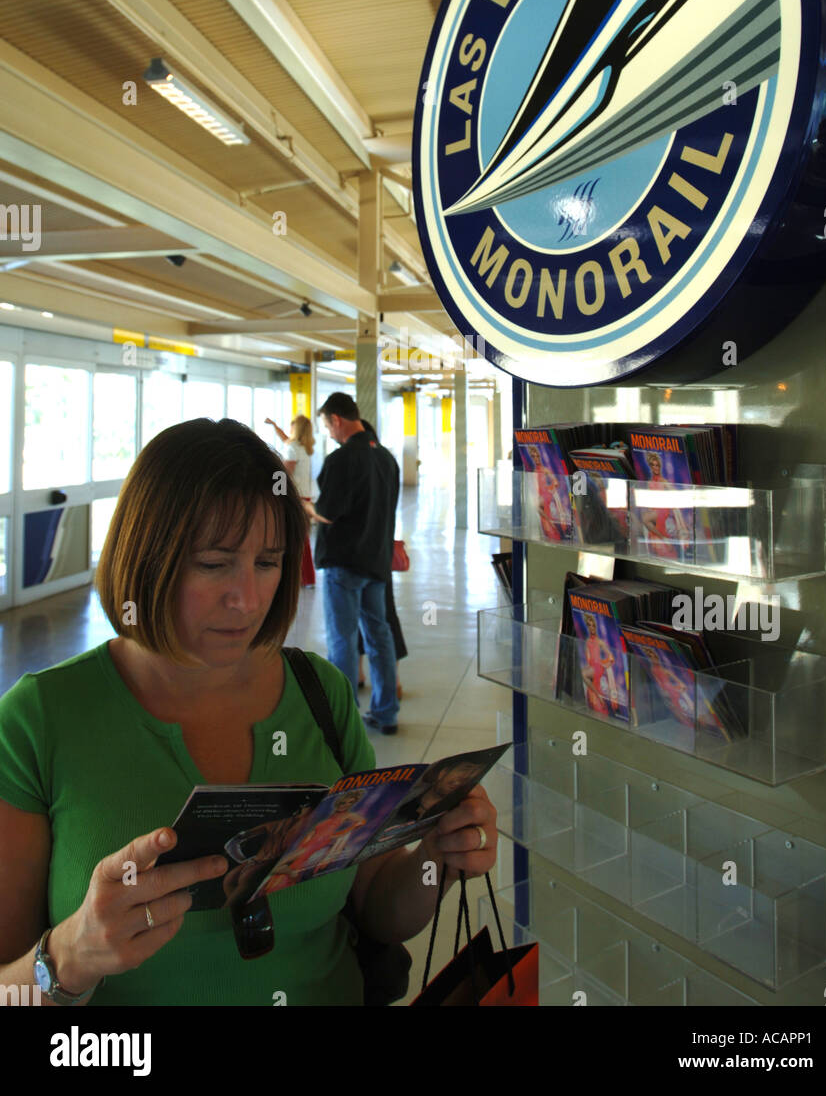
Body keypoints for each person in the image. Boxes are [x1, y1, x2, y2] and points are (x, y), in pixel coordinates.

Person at [0, 418, 498, 1006]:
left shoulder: (320, 692)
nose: (247, 598)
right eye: (214, 564)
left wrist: (435, 861)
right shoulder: (39, 720)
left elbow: (376, 907)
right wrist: (71, 956)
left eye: (268, 562)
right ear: (145, 556)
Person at [305, 395, 399, 735]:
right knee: (379, 635)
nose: (329, 433)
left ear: (336, 420)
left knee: (342, 640)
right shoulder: (386, 457)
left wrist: (306, 509)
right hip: (376, 563)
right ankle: (386, 713)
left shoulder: (342, 459)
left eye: (327, 426)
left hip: (344, 563)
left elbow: (327, 513)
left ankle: (344, 723)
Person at [357, 420, 405, 699]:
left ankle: (361, 674)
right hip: (382, 548)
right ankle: (391, 680)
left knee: (365, 615)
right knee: (383, 614)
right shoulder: (388, 461)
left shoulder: (362, 463)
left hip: (361, 553)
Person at [265, 414, 315, 586]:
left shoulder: (292, 448)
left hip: (295, 497)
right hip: (305, 496)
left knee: (292, 537)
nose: (289, 429)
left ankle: (297, 577)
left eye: (292, 425)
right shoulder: (304, 447)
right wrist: (274, 425)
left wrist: (274, 492)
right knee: (303, 538)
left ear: (297, 429)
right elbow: (286, 438)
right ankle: (306, 577)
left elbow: (284, 474)